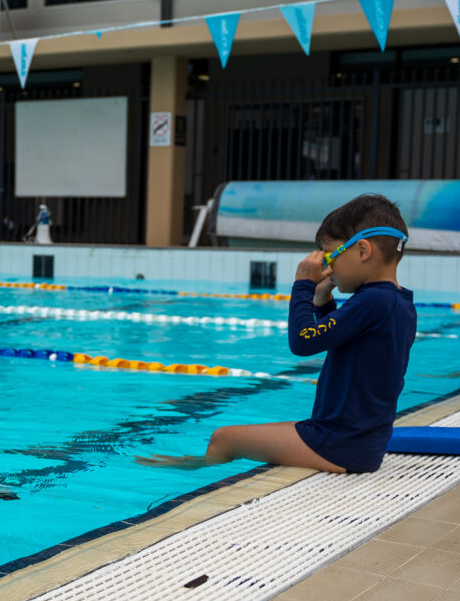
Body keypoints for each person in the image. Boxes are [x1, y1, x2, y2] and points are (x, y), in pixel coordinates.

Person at [140, 194, 417, 474]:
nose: (329, 267)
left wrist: (303, 286)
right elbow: (337, 339)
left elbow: (303, 341)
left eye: (331, 254)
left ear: (363, 251)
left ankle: (193, 482)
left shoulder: (373, 301)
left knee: (222, 439)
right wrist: (322, 302)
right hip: (356, 441)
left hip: (340, 444)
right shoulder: (396, 302)